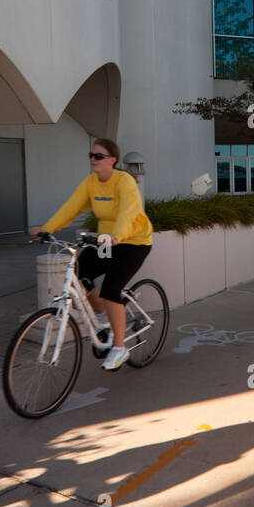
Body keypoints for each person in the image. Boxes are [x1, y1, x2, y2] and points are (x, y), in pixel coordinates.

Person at [30, 138, 152, 370]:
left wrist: (116, 235)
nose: (93, 160)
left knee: (111, 290)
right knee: (80, 269)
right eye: (91, 155)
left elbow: (128, 212)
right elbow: (71, 207)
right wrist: (47, 228)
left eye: (98, 156)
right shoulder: (91, 183)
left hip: (133, 241)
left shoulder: (124, 181)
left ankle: (119, 347)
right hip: (106, 240)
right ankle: (103, 316)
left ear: (113, 159)